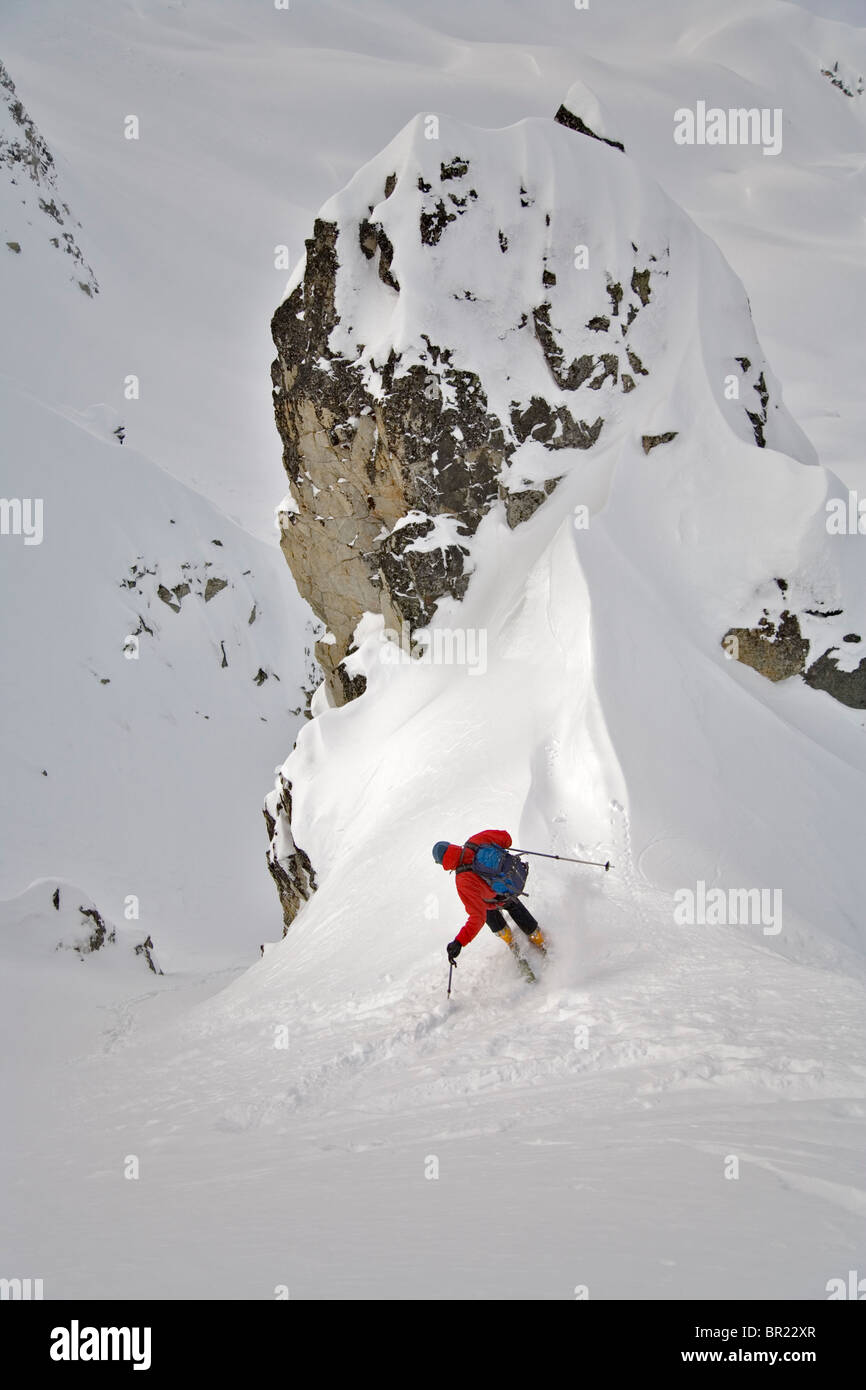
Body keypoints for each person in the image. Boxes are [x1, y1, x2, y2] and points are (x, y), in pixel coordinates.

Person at [432, 829, 546, 965]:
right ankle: (539, 941)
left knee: (487, 911)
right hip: (509, 889)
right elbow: (506, 839)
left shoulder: (463, 881)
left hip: (491, 902)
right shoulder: (475, 841)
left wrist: (459, 942)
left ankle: (511, 943)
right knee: (512, 903)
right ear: (451, 846)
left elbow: (477, 917)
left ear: (443, 864)